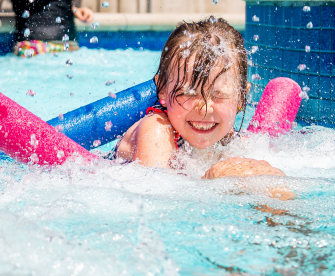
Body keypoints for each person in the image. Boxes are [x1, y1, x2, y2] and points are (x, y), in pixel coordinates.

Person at [116, 18, 286, 180]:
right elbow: (154, 197)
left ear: (241, 97)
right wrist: (213, 178)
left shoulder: (231, 141)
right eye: (189, 93)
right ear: (162, 90)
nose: (205, 110)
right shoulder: (157, 130)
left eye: (219, 95)